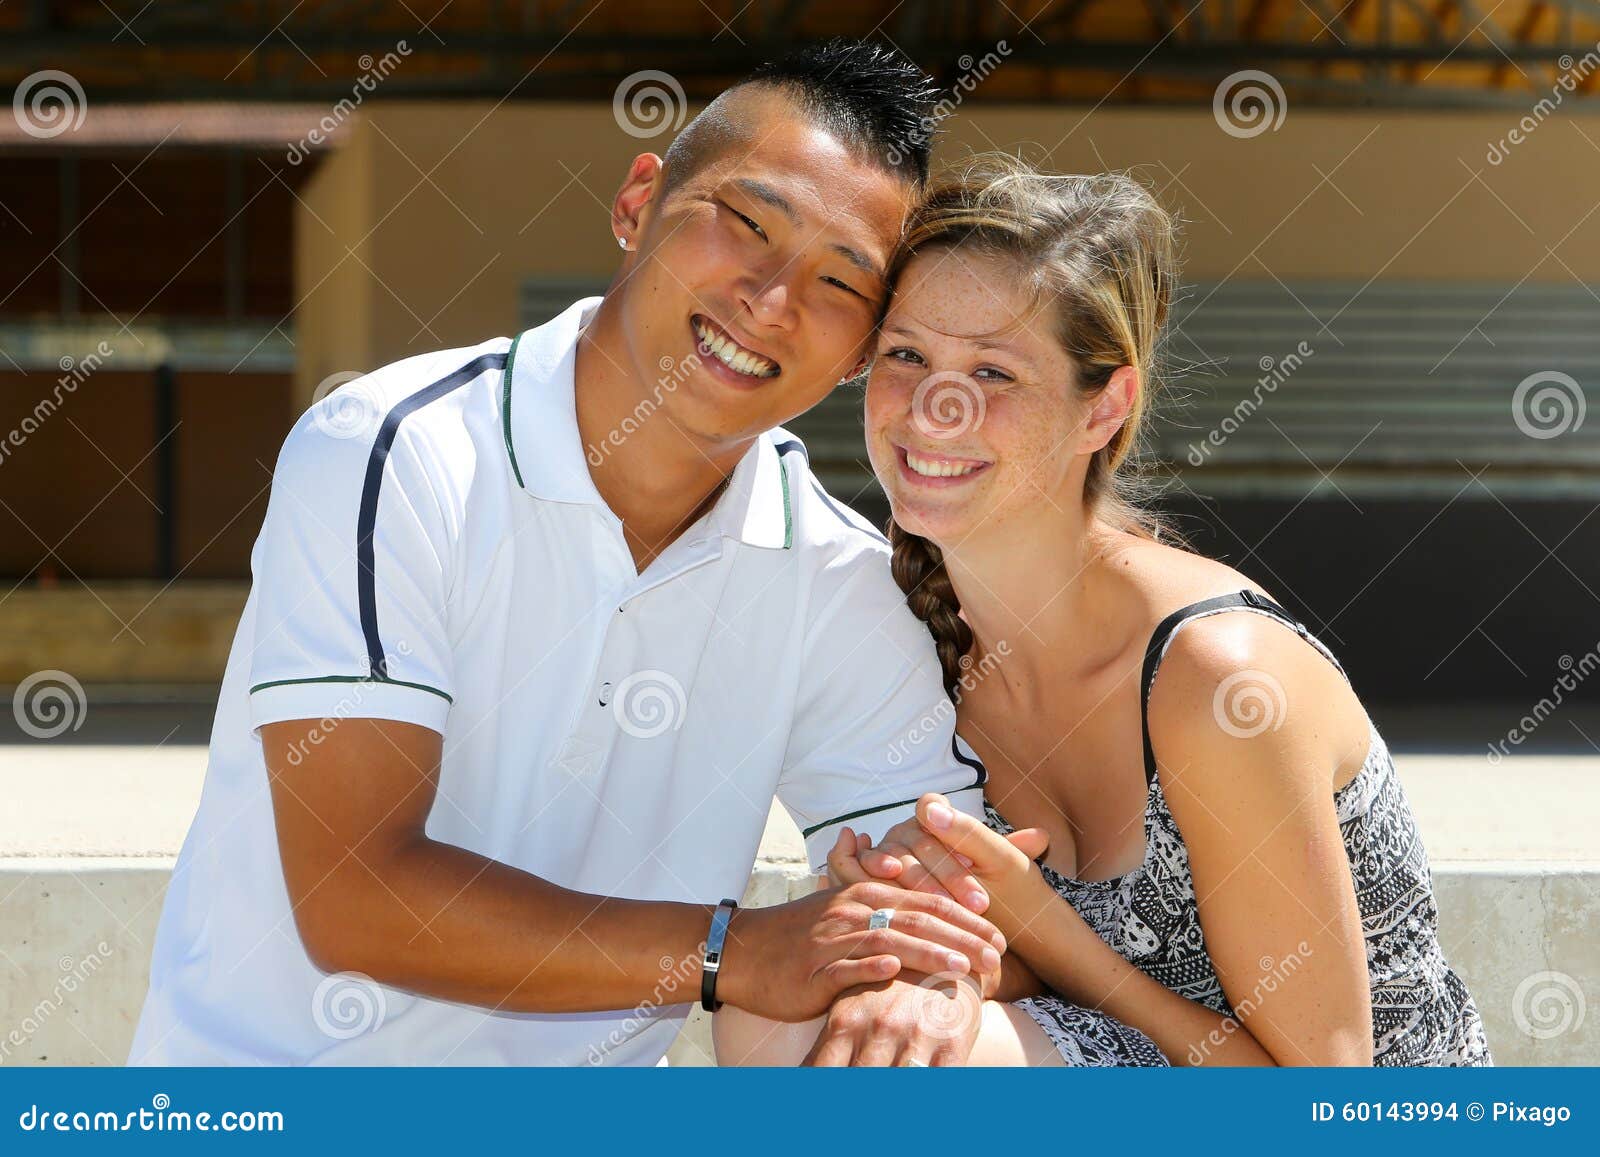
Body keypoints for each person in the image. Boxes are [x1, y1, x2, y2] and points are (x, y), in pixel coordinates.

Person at [128, 41, 1026, 1067]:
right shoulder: (394, 451)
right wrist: (731, 950)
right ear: (639, 202)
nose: (770, 300)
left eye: (837, 281)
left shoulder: (832, 575)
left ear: (862, 349)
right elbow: (356, 897)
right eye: (745, 223)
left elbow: (953, 879)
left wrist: (927, 961)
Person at [721, 154, 1491, 1066]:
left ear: (1106, 407)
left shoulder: (1219, 681)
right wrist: (923, 942)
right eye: (908, 354)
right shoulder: (905, 643)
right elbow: (1005, 967)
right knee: (790, 1012)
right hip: (1123, 1066)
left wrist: (1034, 919)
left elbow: (1322, 1092)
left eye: (996, 373)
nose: (935, 406)